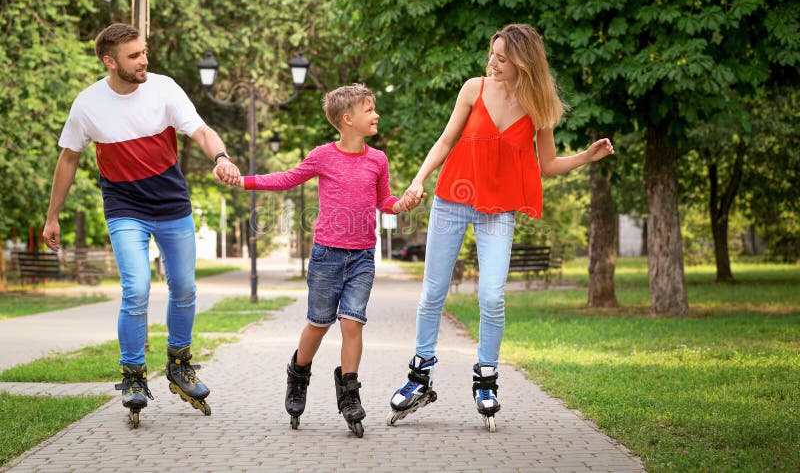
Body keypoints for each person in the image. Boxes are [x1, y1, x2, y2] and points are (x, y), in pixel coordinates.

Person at [387, 23, 615, 430]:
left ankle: (486, 379)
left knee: (492, 296)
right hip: (451, 201)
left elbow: (547, 165)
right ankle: (420, 376)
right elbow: (444, 141)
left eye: (502, 58)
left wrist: (586, 157)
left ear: (524, 63)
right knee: (433, 292)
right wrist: (418, 180)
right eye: (492, 54)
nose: (493, 62)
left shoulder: (538, 108)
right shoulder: (472, 89)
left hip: (498, 210)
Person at [42, 23, 241, 425]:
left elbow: (200, 130)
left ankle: (179, 363)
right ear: (109, 61)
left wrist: (220, 157)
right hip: (124, 206)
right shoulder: (88, 103)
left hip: (171, 204)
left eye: (144, 52)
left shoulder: (164, 88)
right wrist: (52, 217)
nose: (144, 60)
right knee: (136, 288)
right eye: (134, 56)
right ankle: (133, 375)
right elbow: (68, 158)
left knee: (184, 287)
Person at [222, 83, 419, 437]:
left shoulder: (378, 159)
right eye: (369, 109)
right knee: (318, 323)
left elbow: (384, 200)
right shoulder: (323, 156)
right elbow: (286, 179)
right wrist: (245, 182)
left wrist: (401, 204)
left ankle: (349, 394)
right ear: (347, 119)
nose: (376, 115)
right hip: (327, 255)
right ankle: (298, 375)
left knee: (352, 323)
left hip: (362, 256)